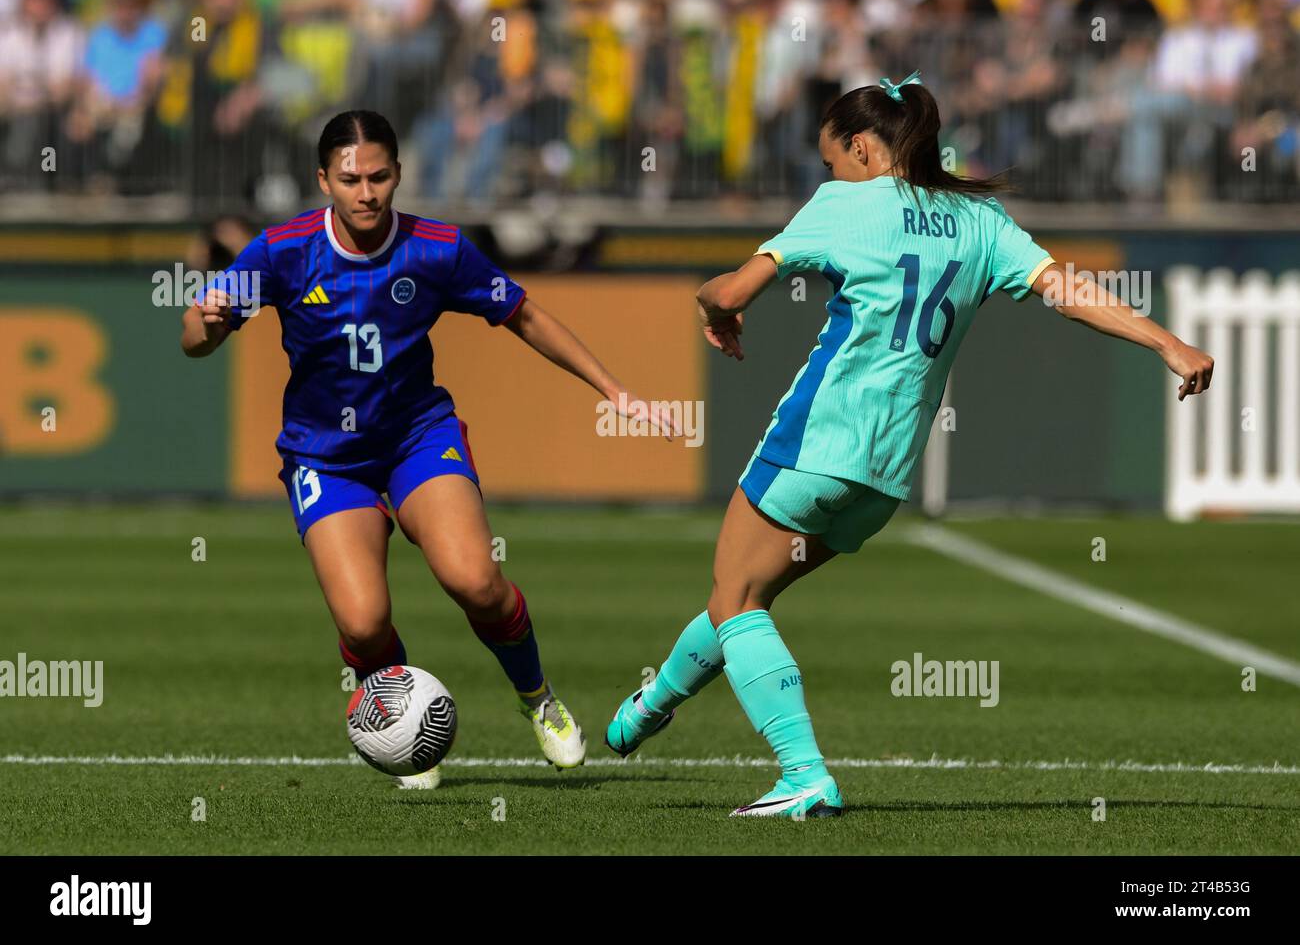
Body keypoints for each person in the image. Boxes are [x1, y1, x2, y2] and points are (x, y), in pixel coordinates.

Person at [604, 72, 1215, 818]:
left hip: (816, 441)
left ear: (860, 149)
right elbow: (1067, 290)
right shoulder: (979, 220)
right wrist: (1167, 342)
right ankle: (648, 707)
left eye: (830, 160)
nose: (828, 173)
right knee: (747, 593)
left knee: (735, 601)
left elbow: (731, 293)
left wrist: (710, 301)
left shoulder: (844, 203)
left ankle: (803, 775)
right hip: (886, 475)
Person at [181, 109, 673, 786]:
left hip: (417, 437)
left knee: (475, 581)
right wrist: (205, 328)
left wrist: (613, 390)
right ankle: (398, 723)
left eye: (379, 176)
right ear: (323, 179)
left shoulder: (436, 248)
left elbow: (523, 313)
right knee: (362, 622)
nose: (366, 192)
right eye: (350, 178)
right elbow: (196, 327)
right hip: (326, 456)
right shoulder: (281, 250)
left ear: (398, 175)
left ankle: (540, 700)